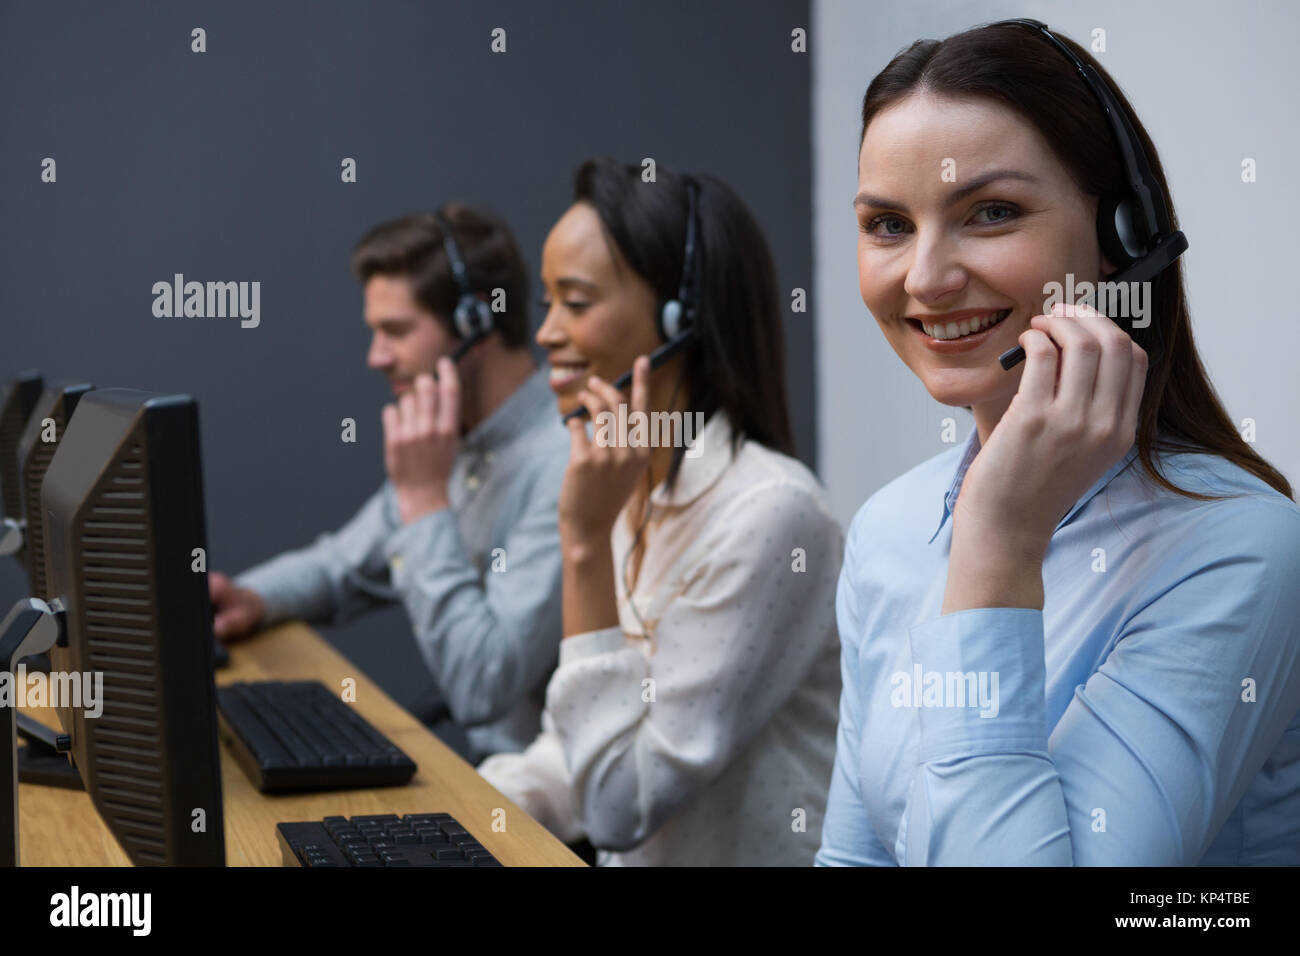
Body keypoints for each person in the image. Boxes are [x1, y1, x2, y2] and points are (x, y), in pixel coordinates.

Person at [816, 20, 1300, 866]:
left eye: (991, 212)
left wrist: (997, 551)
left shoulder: (1238, 546)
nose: (925, 277)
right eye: (888, 224)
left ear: (1123, 239)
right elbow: (855, 859)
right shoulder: (889, 530)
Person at [477, 159, 842, 865]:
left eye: (575, 303)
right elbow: (588, 744)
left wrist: (582, 544)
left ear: (682, 321)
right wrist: (467, 806)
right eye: (545, 304)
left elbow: (620, 806)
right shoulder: (631, 485)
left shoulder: (771, 514)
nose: (547, 333)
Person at [208, 205, 570, 763]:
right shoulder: (453, 439)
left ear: (476, 326)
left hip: (546, 816)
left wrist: (424, 499)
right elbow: (340, 566)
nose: (376, 357)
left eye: (396, 331)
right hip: (487, 779)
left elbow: (482, 686)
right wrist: (253, 598)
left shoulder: (567, 461)